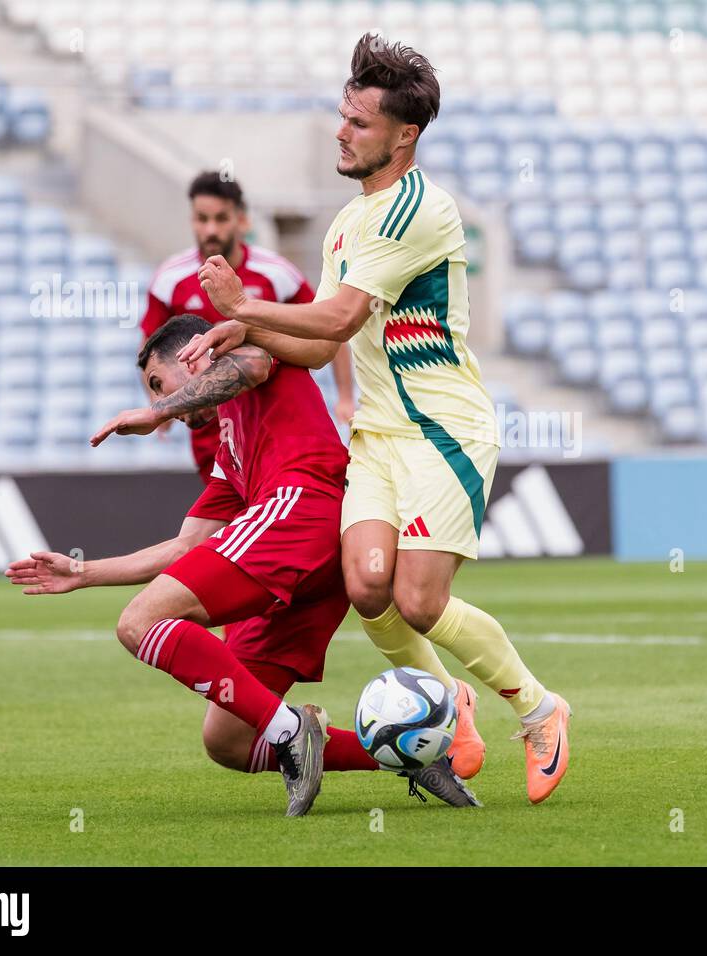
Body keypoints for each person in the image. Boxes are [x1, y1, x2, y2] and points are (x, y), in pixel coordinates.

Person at [183, 34, 571, 804]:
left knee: (420, 600)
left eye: (359, 122)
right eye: (342, 116)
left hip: (442, 432)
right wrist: (249, 332)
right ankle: (448, 704)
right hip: (378, 440)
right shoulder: (345, 224)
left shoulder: (421, 209)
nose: (341, 131)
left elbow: (336, 319)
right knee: (368, 588)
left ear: (404, 135)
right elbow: (314, 332)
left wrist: (243, 306)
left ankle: (539, 709)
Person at [6, 314, 478, 814]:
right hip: (309, 565)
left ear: (193, 354)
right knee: (228, 741)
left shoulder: (249, 346)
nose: (155, 401)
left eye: (156, 383)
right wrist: (81, 573)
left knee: (140, 622)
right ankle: (409, 756)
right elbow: (186, 547)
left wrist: (159, 412)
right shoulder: (228, 449)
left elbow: (250, 367)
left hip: (299, 512)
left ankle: (294, 731)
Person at [141, 171, 355, 483]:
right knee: (226, 518)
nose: (210, 229)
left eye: (221, 218)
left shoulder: (276, 273)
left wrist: (345, 396)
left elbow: (328, 326)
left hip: (269, 419)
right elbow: (150, 346)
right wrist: (157, 402)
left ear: (241, 220)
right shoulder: (170, 279)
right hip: (211, 427)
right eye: (202, 218)